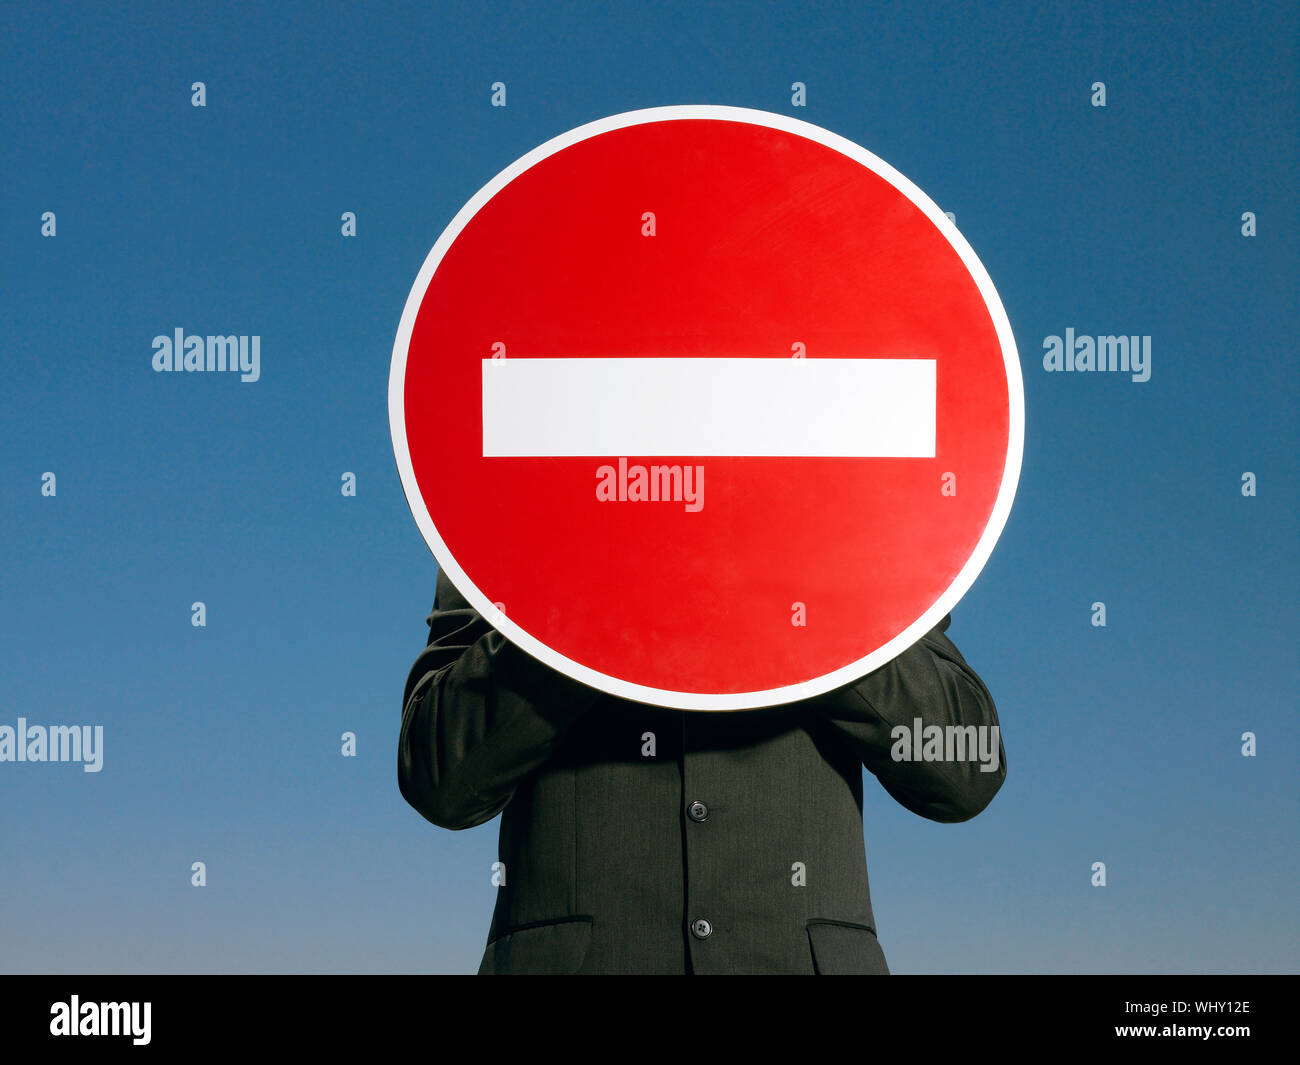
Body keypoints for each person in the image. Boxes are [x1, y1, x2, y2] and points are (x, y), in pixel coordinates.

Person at [399, 564, 1006, 974]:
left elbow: (963, 770)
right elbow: (440, 780)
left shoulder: (858, 502)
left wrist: (799, 580)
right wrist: (591, 584)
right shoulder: (509, 493)